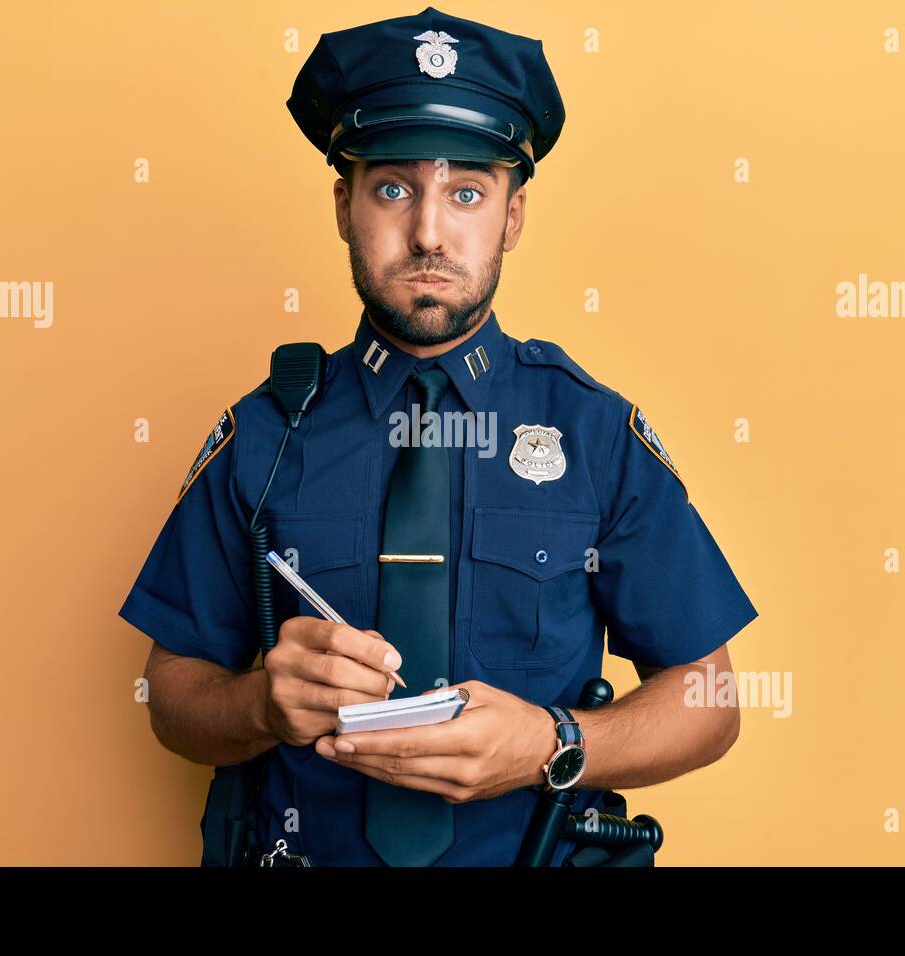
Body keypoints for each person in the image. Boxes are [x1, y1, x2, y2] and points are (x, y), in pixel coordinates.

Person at [118, 5, 758, 867]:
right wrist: (260, 707)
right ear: (344, 206)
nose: (428, 231)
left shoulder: (594, 432)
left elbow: (710, 698)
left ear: (514, 215)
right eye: (392, 188)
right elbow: (171, 692)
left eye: (466, 193)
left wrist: (552, 743)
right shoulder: (264, 433)